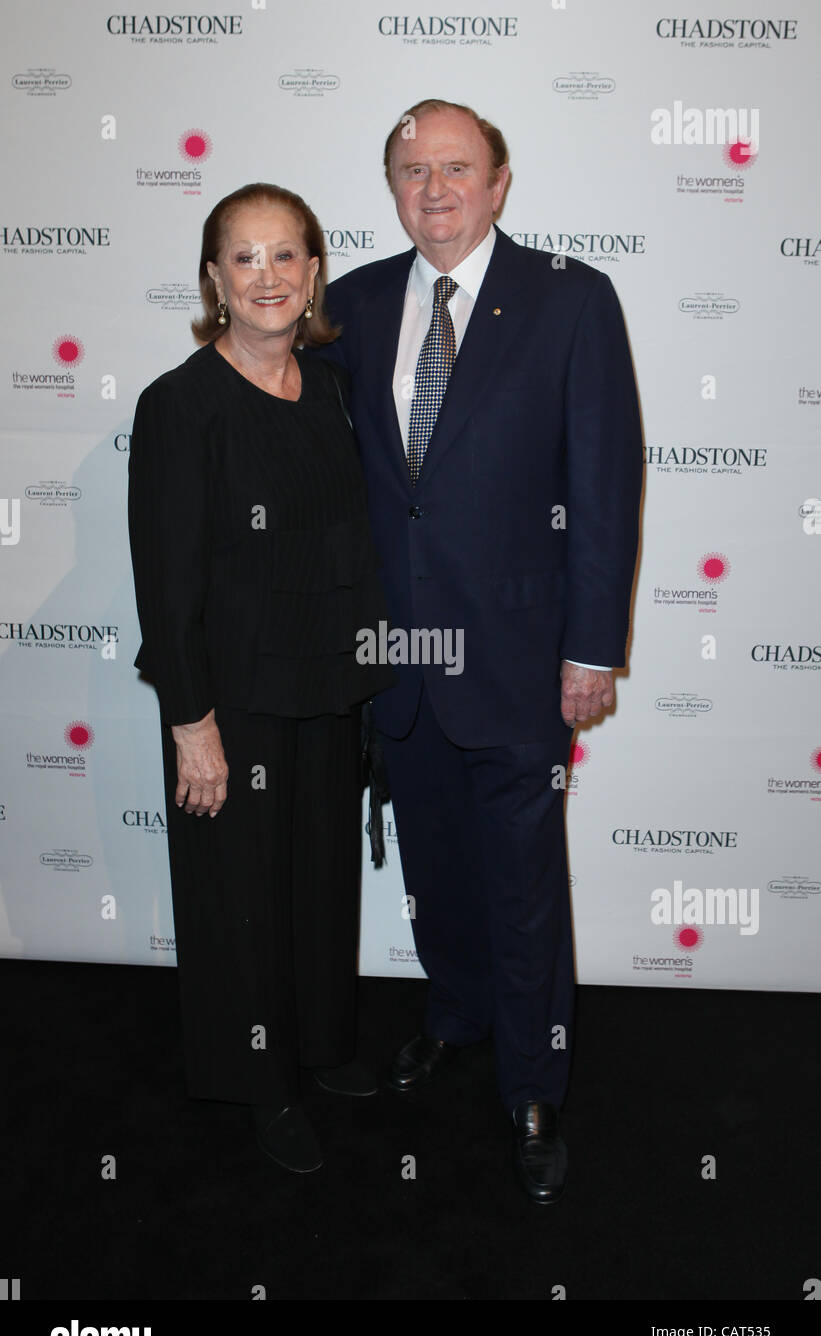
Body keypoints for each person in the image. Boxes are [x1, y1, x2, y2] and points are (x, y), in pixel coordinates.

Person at [319, 100, 643, 1203]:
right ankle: (453, 1019)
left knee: (520, 882)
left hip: (517, 652)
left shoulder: (569, 299)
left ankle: (533, 1081)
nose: (433, 188)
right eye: (410, 170)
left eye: (456, 167)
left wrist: (590, 647)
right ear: (390, 187)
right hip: (398, 654)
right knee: (435, 870)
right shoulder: (351, 306)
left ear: (499, 182)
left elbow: (603, 484)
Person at [127, 182, 394, 1174]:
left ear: (313, 272)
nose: (268, 276)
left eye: (287, 255)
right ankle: (259, 1080)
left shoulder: (326, 387)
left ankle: (319, 1049)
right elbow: (168, 581)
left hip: (326, 686)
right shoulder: (180, 407)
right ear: (213, 281)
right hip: (232, 699)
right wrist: (191, 723)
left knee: (319, 881)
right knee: (241, 897)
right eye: (245, 258)